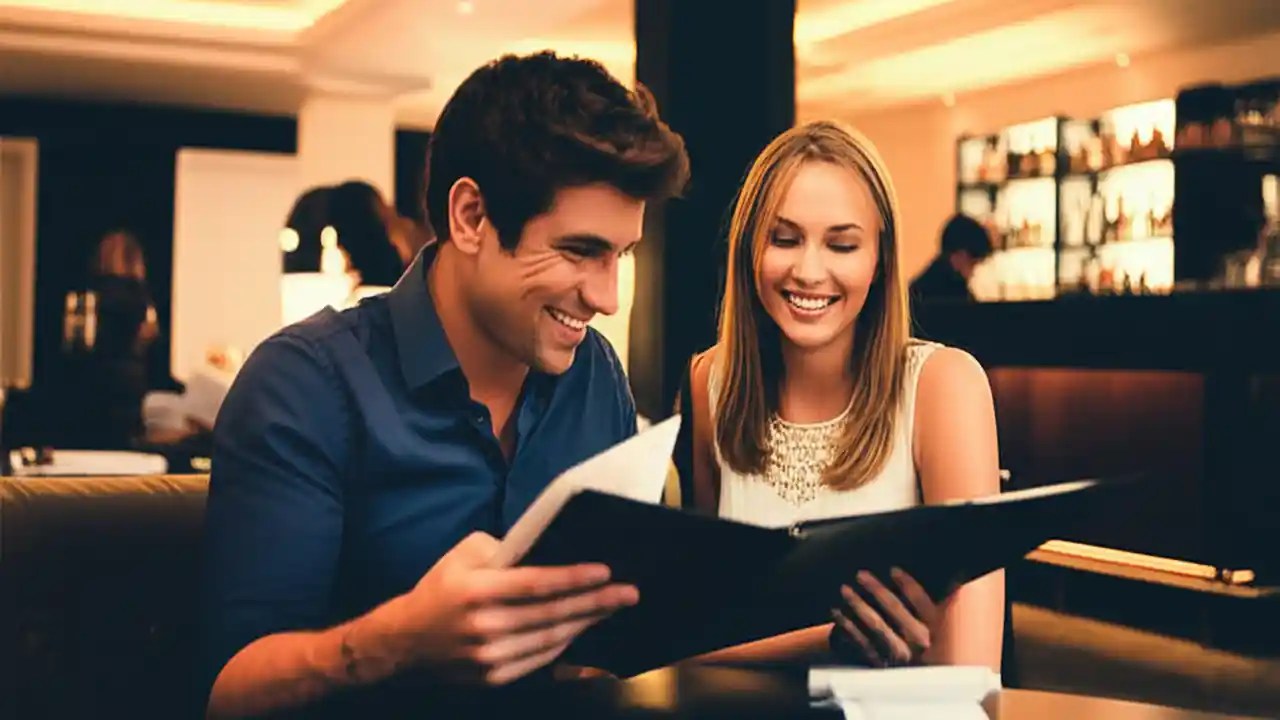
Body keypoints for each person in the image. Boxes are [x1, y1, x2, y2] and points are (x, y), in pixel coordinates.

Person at [200, 51, 689, 719]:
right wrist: (400, 639)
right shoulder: (303, 385)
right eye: (580, 251)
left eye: (621, 256)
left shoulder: (596, 375)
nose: (607, 298)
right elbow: (228, 694)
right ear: (471, 217)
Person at [674, 121, 1004, 671]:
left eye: (842, 245)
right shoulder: (709, 384)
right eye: (784, 239)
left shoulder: (944, 386)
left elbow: (972, 671)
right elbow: (695, 638)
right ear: (749, 249)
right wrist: (831, 638)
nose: (809, 271)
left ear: (880, 259)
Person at [909, 213, 993, 303]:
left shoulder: (921, 288)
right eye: (972, 263)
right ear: (960, 255)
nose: (973, 272)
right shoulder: (952, 294)